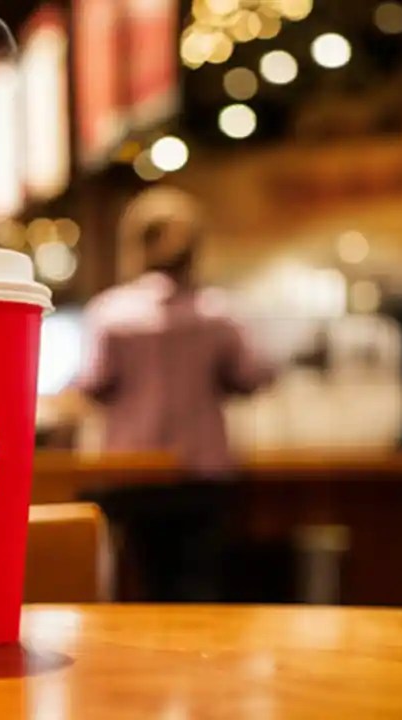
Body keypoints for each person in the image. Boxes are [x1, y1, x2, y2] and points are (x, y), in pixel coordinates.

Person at [75, 186, 273, 601]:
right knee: (199, 587)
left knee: (136, 589)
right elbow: (252, 377)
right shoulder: (219, 315)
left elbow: (93, 385)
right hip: (202, 472)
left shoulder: (112, 313)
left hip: (132, 471)